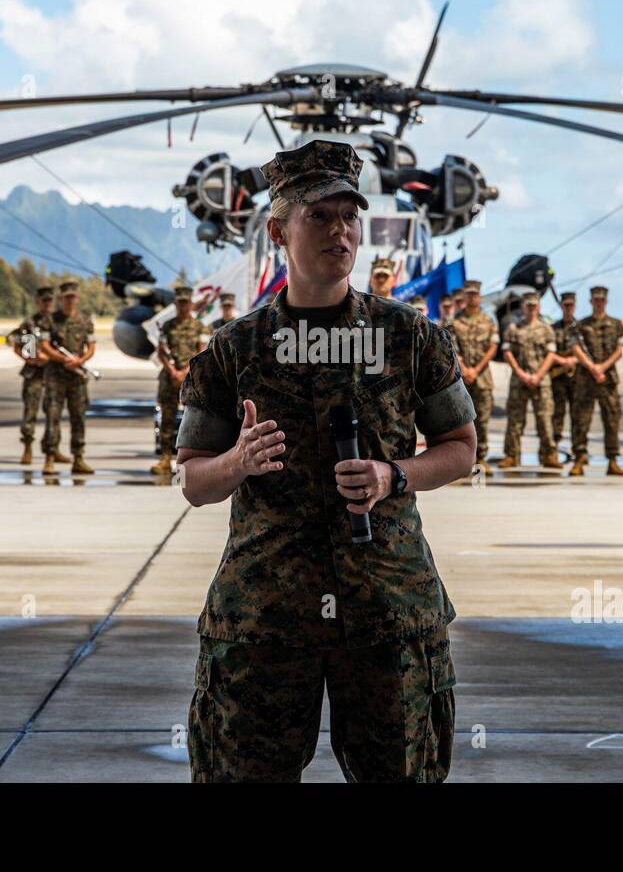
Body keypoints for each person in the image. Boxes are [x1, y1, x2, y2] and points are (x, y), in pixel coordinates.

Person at [174, 139, 476, 783]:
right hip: (266, 616)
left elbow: (462, 450)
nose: (339, 230)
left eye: (349, 215)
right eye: (319, 215)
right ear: (279, 229)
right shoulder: (234, 349)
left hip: (387, 609)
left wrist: (395, 475)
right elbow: (193, 481)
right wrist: (238, 461)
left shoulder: (411, 337)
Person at [499, 292, 571, 469]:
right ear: (523, 307)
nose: (531, 309)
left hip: (542, 381)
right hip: (519, 380)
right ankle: (511, 455)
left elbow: (551, 354)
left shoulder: (546, 329)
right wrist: (521, 373)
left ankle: (549, 455)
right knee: (515, 420)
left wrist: (538, 375)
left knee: (545, 419)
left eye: (534, 305)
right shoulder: (514, 329)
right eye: (528, 305)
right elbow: (507, 353)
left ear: (539, 307)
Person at [569, 286, 623, 477]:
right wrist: (592, 367)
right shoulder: (580, 324)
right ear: (591, 301)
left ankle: (612, 460)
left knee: (612, 420)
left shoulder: (617, 324)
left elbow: (620, 349)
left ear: (606, 302)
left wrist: (603, 367)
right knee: (581, 420)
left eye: (601, 300)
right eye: (595, 300)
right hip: (586, 379)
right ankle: (579, 459)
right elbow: (575, 348)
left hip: (608, 379)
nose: (598, 302)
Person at [151, 285, 209, 475]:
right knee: (167, 419)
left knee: (192, 421)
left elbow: (201, 351)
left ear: (191, 304)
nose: (182, 306)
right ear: (175, 303)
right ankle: (165, 458)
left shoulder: (199, 327)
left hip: (191, 379)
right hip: (169, 379)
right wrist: (172, 371)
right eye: (179, 303)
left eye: (186, 303)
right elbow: (161, 352)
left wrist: (184, 371)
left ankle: (187, 462)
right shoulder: (167, 326)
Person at [40, 281, 96, 475]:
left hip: (77, 377)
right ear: (61, 299)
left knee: (78, 417)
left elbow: (91, 347)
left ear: (77, 298)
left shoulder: (84, 321)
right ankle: (49, 458)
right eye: (66, 297)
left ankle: (78, 458)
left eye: (73, 297)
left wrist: (80, 360)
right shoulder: (50, 320)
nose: (70, 300)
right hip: (56, 376)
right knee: (52, 417)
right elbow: (44, 345)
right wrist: (62, 358)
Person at [448, 280, 499, 469]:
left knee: (483, 420)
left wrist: (476, 370)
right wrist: (465, 368)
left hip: (482, 378)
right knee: (459, 421)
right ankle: (460, 460)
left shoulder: (488, 321)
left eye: (475, 294)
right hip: (460, 379)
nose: (472, 297)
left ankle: (481, 459)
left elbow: (493, 347)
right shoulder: (455, 321)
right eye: (468, 294)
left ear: (479, 296)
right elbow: (451, 347)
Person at [7, 285, 55, 466]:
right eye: (44, 301)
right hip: (34, 373)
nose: (47, 304)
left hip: (53, 374)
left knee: (53, 413)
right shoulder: (30, 324)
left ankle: (52, 449)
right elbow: (19, 346)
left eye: (50, 300)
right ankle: (27, 448)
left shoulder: (56, 322)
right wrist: (31, 358)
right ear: (38, 302)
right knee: (30, 412)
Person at [551, 291, 580, 460]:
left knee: (578, 415)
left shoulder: (581, 327)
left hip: (578, 379)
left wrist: (574, 359)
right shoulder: (554, 328)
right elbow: (548, 351)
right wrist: (562, 361)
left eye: (571, 305)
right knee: (557, 414)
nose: (568, 308)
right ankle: (554, 448)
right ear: (562, 306)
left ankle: (578, 449)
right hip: (558, 378)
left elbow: (588, 352)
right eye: (565, 305)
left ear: (575, 306)